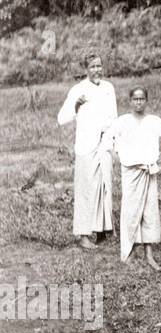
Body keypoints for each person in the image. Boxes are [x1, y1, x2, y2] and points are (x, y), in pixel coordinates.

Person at [106, 87, 161, 270]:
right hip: (130, 172)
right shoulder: (122, 121)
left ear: (146, 101)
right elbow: (107, 140)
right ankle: (129, 253)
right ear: (130, 101)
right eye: (135, 99)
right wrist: (118, 159)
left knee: (149, 211)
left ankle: (149, 254)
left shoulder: (154, 121)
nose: (138, 102)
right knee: (130, 211)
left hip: (149, 171)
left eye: (142, 99)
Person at [56, 53, 118, 250]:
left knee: (104, 186)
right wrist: (76, 105)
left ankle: (101, 231)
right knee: (85, 189)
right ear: (85, 69)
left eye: (99, 66)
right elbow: (61, 118)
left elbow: (114, 117)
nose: (96, 70)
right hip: (86, 146)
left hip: (105, 143)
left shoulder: (109, 88)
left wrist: (112, 140)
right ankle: (83, 235)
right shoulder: (78, 89)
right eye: (92, 67)